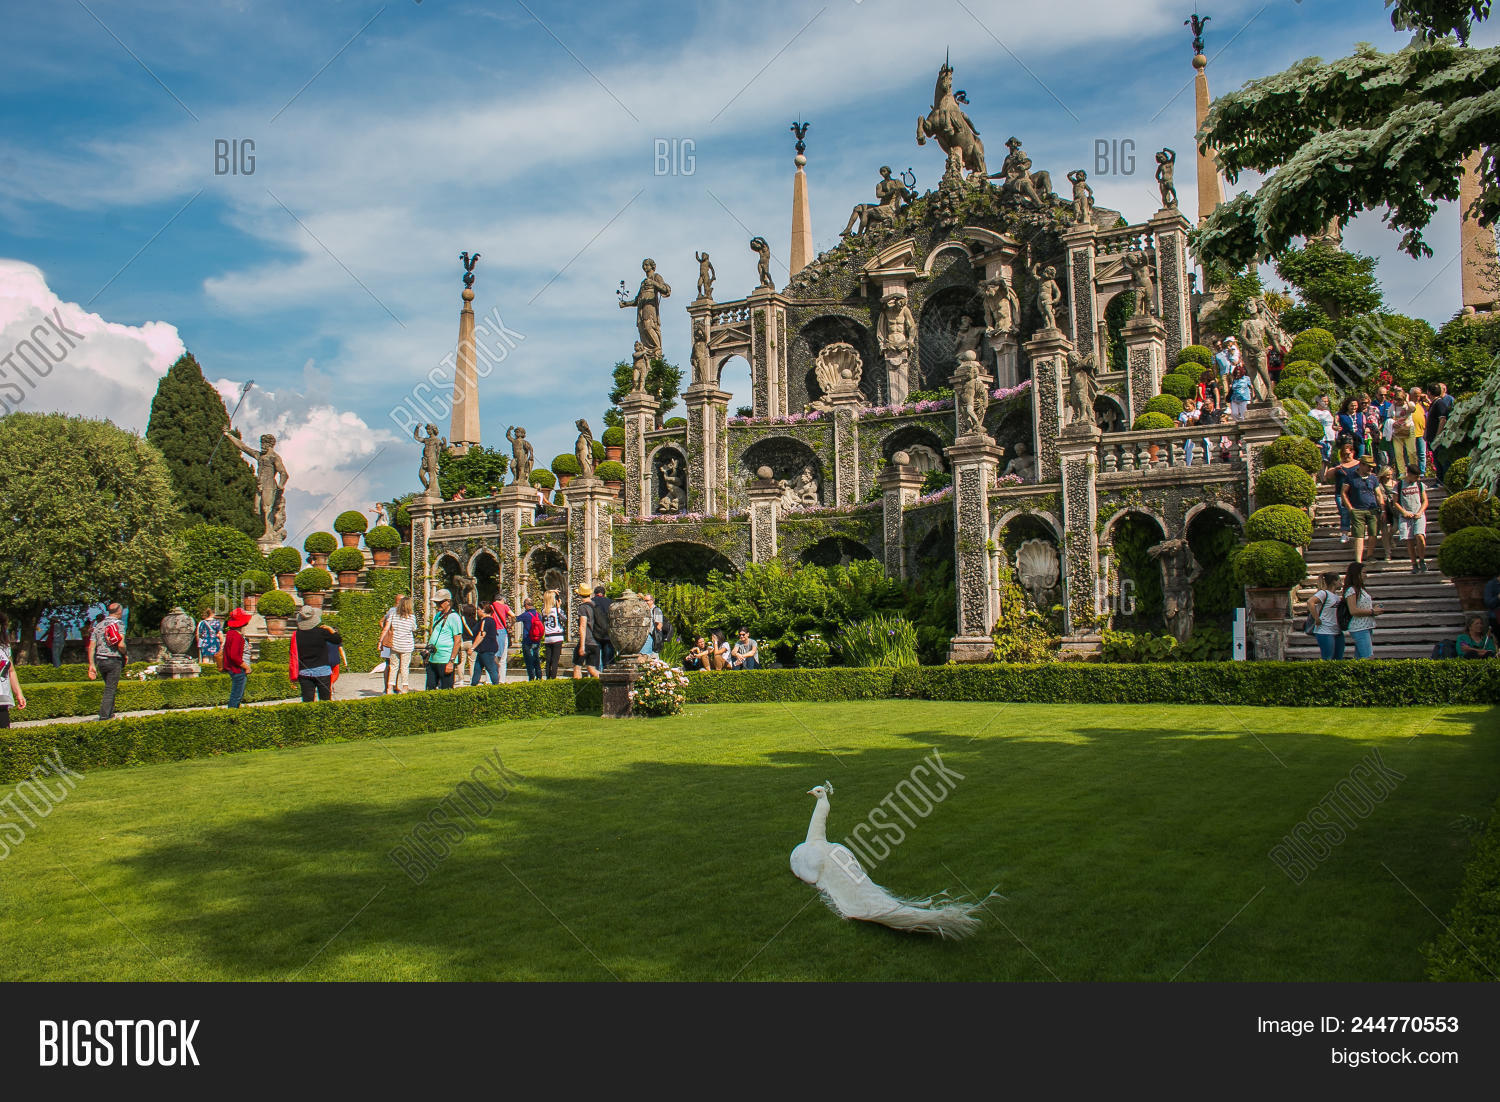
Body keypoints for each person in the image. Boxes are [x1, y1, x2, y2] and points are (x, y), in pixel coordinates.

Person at [86, 601, 128, 721]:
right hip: (113, 659)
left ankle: (110, 714)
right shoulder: (119, 624)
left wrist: (91, 664)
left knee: (110, 687)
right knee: (110, 689)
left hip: (100, 660)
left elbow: (91, 647)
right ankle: (104, 717)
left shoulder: (99, 625)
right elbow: (121, 645)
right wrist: (125, 654)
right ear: (119, 611)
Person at [291, 605, 341, 702]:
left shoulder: (297, 634)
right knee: (325, 701)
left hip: (304, 671)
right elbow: (337, 640)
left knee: (307, 701)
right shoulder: (322, 632)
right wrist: (331, 630)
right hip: (322, 670)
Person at [1341, 454, 1385, 564]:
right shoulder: (1350, 476)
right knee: (1359, 536)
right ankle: (1358, 561)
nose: (1371, 469)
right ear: (1361, 464)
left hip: (1372, 509)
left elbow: (1378, 494)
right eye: (1369, 466)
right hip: (1357, 509)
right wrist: (1350, 508)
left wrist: (1383, 509)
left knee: (1373, 533)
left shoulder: (1373, 478)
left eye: (1372, 467)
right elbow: (1343, 492)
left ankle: (1370, 555)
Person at [1393, 463, 1430, 574]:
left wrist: (1420, 512)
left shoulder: (1419, 484)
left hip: (1418, 514)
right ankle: (1414, 564)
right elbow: (1395, 502)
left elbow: (1425, 500)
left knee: (1420, 536)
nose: (1417, 478)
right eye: (1415, 476)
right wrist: (1404, 512)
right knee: (1409, 541)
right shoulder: (1399, 485)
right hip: (1405, 516)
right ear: (1408, 474)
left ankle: (1422, 560)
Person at [1343, 560, 1383, 659]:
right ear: (1357, 574)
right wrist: (1372, 611)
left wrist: (1373, 609)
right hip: (1359, 628)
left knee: (1360, 658)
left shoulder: (1360, 589)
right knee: (1368, 657)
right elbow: (1353, 610)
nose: (1366, 575)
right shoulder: (1351, 590)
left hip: (1366, 626)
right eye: (1364, 572)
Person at [425, 588, 464, 690]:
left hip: (445, 658)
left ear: (448, 602)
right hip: (433, 657)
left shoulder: (454, 617)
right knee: (430, 687)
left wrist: (451, 661)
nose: (438, 605)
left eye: (440, 602)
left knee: (446, 689)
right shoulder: (438, 615)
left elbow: (457, 640)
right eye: (436, 602)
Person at [1323, 443, 1360, 544]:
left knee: (1354, 513)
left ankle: (1352, 532)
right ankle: (1345, 533)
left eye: (1348, 454)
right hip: (1340, 493)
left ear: (1353, 452)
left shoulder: (1359, 464)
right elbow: (1328, 476)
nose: (1346, 456)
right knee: (1344, 512)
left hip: (1355, 492)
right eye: (1344, 454)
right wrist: (1336, 469)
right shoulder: (1338, 464)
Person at [1306, 571, 1346, 660]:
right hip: (1325, 630)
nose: (1341, 583)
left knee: (1338, 658)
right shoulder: (1323, 593)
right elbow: (1310, 602)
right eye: (1339, 580)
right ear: (1334, 581)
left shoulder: (1336, 596)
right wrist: (1316, 618)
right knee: (1328, 658)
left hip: (1337, 630)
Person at [383, 595, 417, 693]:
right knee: (404, 667)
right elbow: (414, 628)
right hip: (405, 645)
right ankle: (404, 687)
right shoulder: (411, 617)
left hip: (394, 644)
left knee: (393, 666)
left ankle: (390, 688)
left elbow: (386, 625)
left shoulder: (393, 614)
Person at [0, 614, 27, 727]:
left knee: (4, 734)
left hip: (2, 700)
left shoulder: (4, 647)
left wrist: (19, 693)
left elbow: (11, 671)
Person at [465, 601, 501, 685]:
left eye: (478, 609)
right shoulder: (488, 620)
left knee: (491, 668)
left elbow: (481, 635)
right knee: (477, 669)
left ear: (483, 610)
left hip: (486, 649)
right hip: (482, 649)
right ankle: (473, 684)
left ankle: (496, 685)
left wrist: (472, 648)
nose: (477, 611)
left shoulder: (486, 620)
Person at [1424, 382, 1455, 479]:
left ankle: (1443, 480)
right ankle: (1439, 479)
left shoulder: (1439, 403)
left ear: (1429, 392)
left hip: (1438, 439)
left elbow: (1443, 420)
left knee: (1442, 461)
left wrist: (1437, 436)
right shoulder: (1434, 403)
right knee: (1437, 461)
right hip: (1432, 438)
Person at [222, 607, 250, 707]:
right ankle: (232, 713)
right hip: (237, 669)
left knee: (237, 694)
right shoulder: (236, 636)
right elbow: (234, 656)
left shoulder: (231, 633)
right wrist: (246, 667)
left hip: (232, 668)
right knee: (237, 695)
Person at [1390, 388, 1419, 474]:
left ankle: (1414, 471)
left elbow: (1413, 409)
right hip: (1397, 431)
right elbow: (1389, 418)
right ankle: (1402, 473)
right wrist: (1393, 423)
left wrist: (1406, 401)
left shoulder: (1409, 404)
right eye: (1397, 399)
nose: (1398, 401)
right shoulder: (1392, 406)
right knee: (1398, 453)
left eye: (1400, 399)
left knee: (1411, 452)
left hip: (1408, 429)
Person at [1374, 465, 1399, 562]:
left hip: (1393, 508)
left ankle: (1390, 537)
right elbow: (1378, 497)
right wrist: (1382, 510)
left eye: (1391, 474)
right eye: (1387, 475)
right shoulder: (1378, 484)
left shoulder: (1395, 483)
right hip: (1382, 508)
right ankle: (1387, 553)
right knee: (1384, 531)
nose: (1389, 476)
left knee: (1395, 527)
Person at [541, 589, 567, 679]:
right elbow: (564, 619)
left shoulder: (544, 611)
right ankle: (553, 678)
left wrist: (551, 591)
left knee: (548, 660)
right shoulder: (556, 610)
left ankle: (548, 677)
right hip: (557, 636)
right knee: (555, 660)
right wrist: (559, 607)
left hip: (548, 637)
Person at [488, 596, 515, 681]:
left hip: (491, 631)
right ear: (502, 599)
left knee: (491, 655)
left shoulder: (490, 606)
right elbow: (513, 615)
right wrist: (511, 625)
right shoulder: (504, 606)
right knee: (502, 658)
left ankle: (489, 679)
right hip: (502, 631)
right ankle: (502, 679)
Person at [516, 597, 543, 681]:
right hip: (536, 640)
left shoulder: (526, 615)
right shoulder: (538, 614)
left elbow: (515, 619)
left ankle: (531, 677)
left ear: (527, 605)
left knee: (528, 659)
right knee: (536, 657)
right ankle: (539, 676)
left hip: (527, 640)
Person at [1408, 386, 1430, 476]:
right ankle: (1412, 472)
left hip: (1421, 433)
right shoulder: (1408, 404)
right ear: (1411, 395)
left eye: (1419, 395)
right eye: (1416, 395)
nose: (1418, 397)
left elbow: (1433, 407)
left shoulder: (1423, 405)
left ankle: (1422, 472)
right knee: (1411, 454)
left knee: (1421, 454)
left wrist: (1427, 399)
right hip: (1410, 433)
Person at [1310, 395, 1337, 463]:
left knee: (1328, 461)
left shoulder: (1327, 412)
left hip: (1330, 439)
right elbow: (1310, 427)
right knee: (1322, 460)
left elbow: (1331, 425)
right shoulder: (1313, 413)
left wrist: (1335, 428)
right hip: (1321, 440)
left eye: (1327, 401)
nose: (1326, 403)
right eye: (1324, 401)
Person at [591, 585, 614, 668]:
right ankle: (607, 672)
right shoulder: (611, 602)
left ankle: (597, 674)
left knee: (596, 660)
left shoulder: (591, 602)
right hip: (608, 634)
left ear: (595, 593)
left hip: (595, 633)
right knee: (608, 660)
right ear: (604, 594)